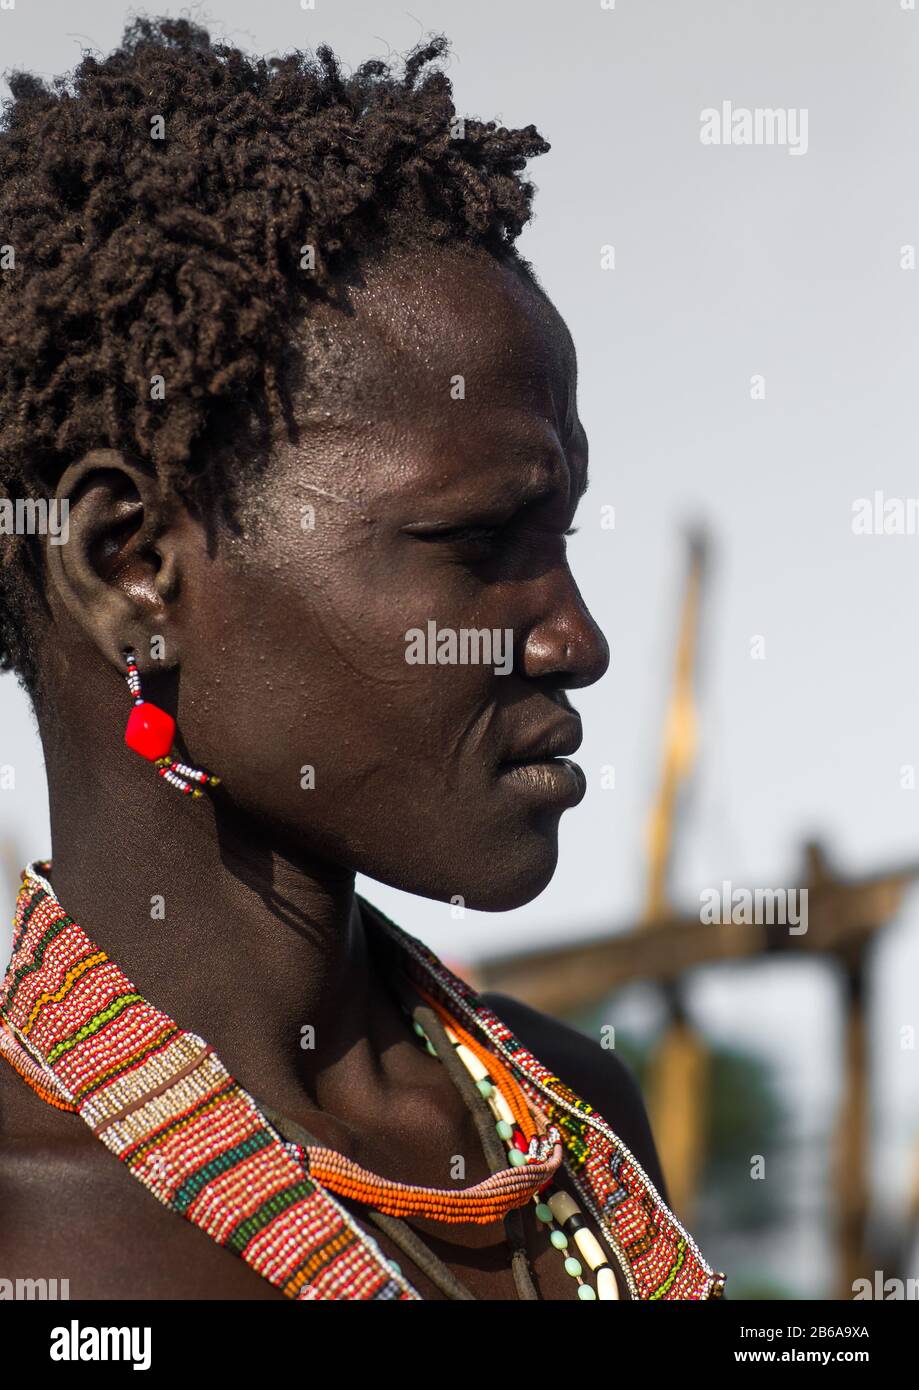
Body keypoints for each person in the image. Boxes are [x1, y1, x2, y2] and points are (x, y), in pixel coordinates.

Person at [0, 17, 724, 1301]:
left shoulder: (574, 1130)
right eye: (476, 540)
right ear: (131, 568)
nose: (578, 639)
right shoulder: (35, 1237)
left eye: (557, 534)